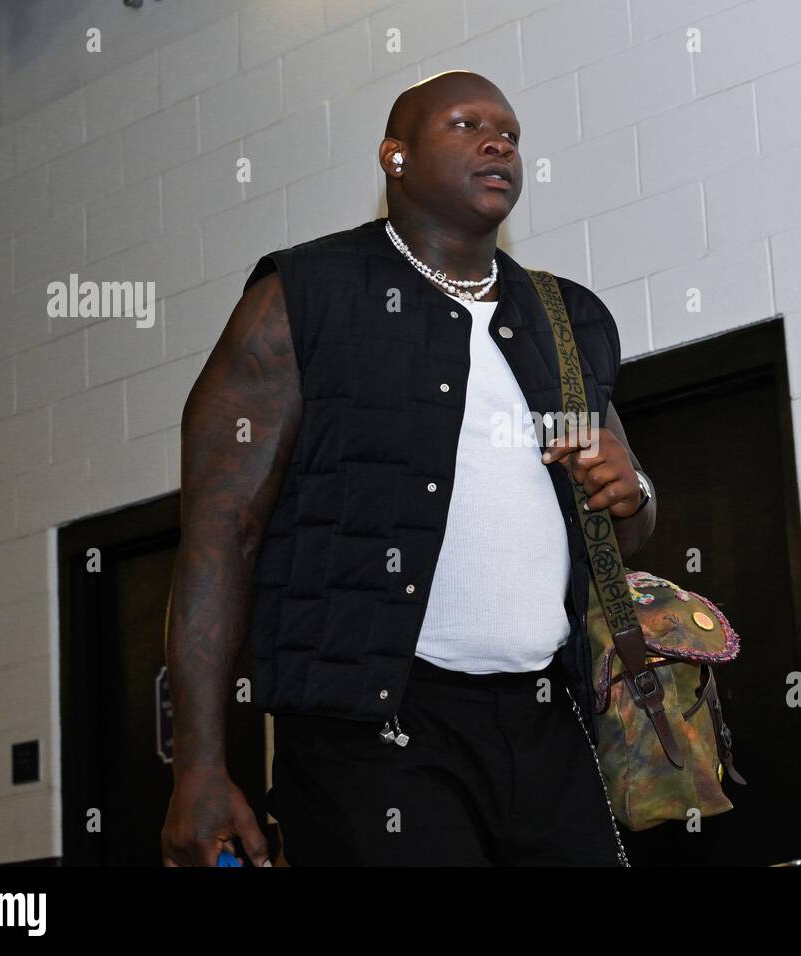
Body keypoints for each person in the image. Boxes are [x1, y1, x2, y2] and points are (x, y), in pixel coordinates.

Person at [160, 70, 656, 866]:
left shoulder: (564, 321)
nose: (499, 143)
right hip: (372, 728)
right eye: (467, 125)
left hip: (547, 719)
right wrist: (200, 766)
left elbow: (616, 529)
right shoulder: (302, 299)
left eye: (512, 134)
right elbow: (221, 535)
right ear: (395, 157)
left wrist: (632, 495)